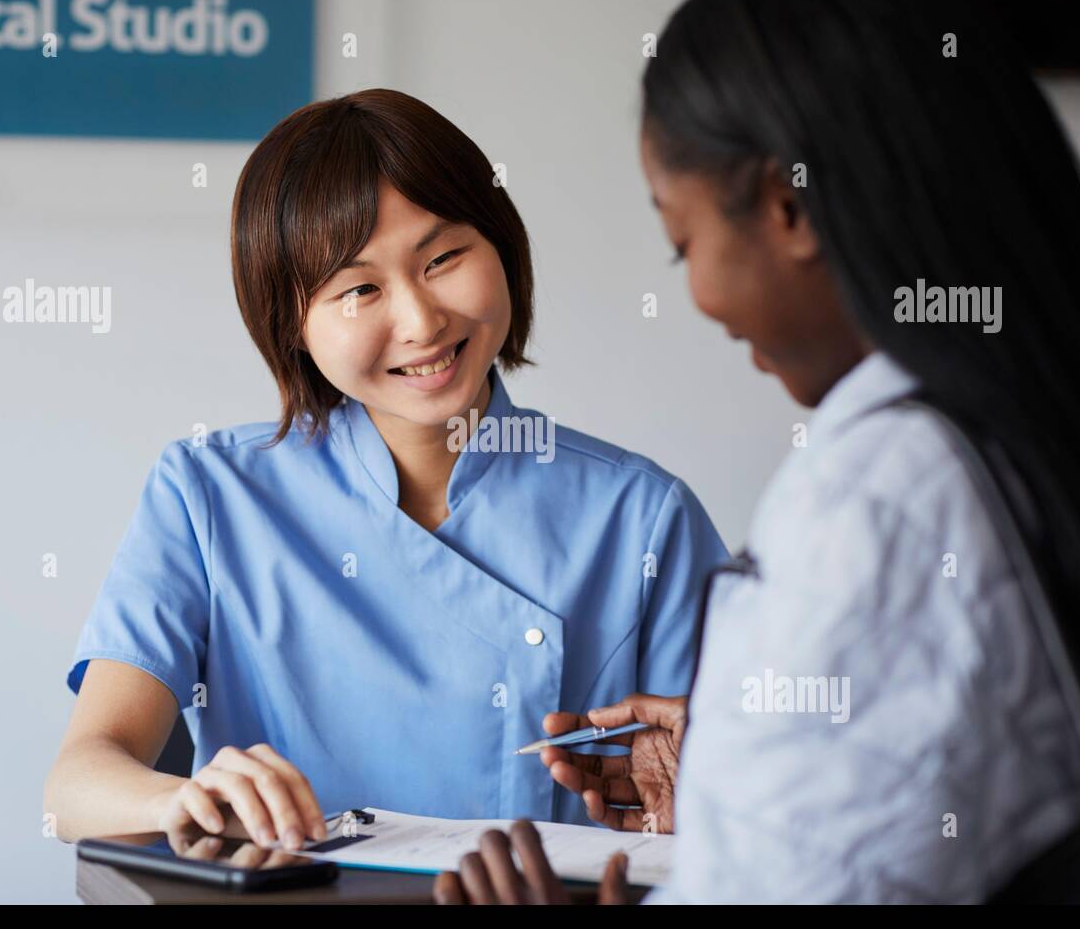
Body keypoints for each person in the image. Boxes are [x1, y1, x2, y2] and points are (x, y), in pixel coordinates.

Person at [434, 0, 1080, 904]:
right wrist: (748, 763)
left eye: (682, 243)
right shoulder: (1052, 428)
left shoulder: (880, 496)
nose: (697, 296)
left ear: (792, 207)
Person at [43, 89, 726, 854]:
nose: (422, 320)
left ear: (501, 247)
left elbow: (732, 793)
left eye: (444, 259)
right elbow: (77, 781)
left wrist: (711, 797)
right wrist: (192, 797)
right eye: (360, 288)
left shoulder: (644, 516)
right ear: (291, 324)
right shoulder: (208, 494)